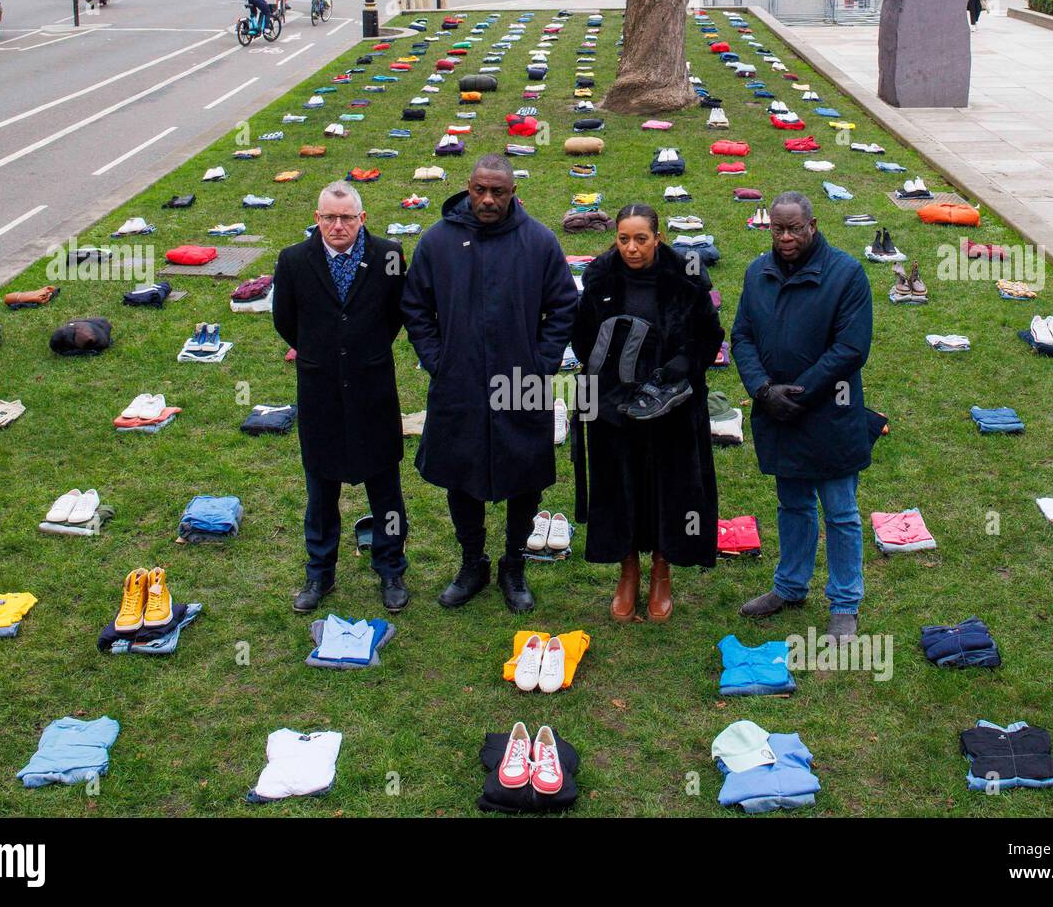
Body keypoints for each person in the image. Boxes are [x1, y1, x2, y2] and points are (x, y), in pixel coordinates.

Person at [403, 154, 578, 613]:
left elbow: (563, 305)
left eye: (498, 192)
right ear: (468, 186)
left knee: (525, 475)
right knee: (460, 473)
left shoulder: (538, 241)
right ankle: (471, 563)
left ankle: (513, 564)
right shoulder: (438, 241)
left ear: (513, 193)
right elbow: (416, 306)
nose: (487, 199)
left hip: (524, 380)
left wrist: (542, 360)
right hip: (458, 380)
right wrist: (436, 359)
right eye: (480, 189)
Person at [571, 204, 724, 623]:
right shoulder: (601, 276)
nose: (632, 248)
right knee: (621, 486)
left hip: (672, 403)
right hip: (613, 405)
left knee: (669, 487)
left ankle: (661, 569)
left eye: (641, 239)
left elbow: (709, 333)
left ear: (657, 238)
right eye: (624, 239)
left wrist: (680, 368)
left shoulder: (687, 274)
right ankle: (628, 570)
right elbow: (584, 337)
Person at [731, 192, 873, 642]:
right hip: (777, 411)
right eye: (778, 228)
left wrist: (801, 393)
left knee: (840, 511)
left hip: (829, 413)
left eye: (795, 228)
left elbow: (851, 348)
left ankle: (845, 603)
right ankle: (790, 586)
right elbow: (742, 336)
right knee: (792, 505)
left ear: (813, 225)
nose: (786, 237)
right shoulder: (759, 272)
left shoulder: (846, 273)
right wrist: (762, 390)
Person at [272, 182, 412, 613]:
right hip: (320, 390)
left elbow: (396, 315)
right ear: (316, 219)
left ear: (361, 219)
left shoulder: (389, 256)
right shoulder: (294, 261)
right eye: (328, 217)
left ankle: (390, 567)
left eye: (346, 218)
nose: (337, 226)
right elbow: (285, 320)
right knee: (320, 488)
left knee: (385, 486)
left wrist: (364, 350)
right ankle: (320, 573)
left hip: (373, 388)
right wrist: (322, 353)